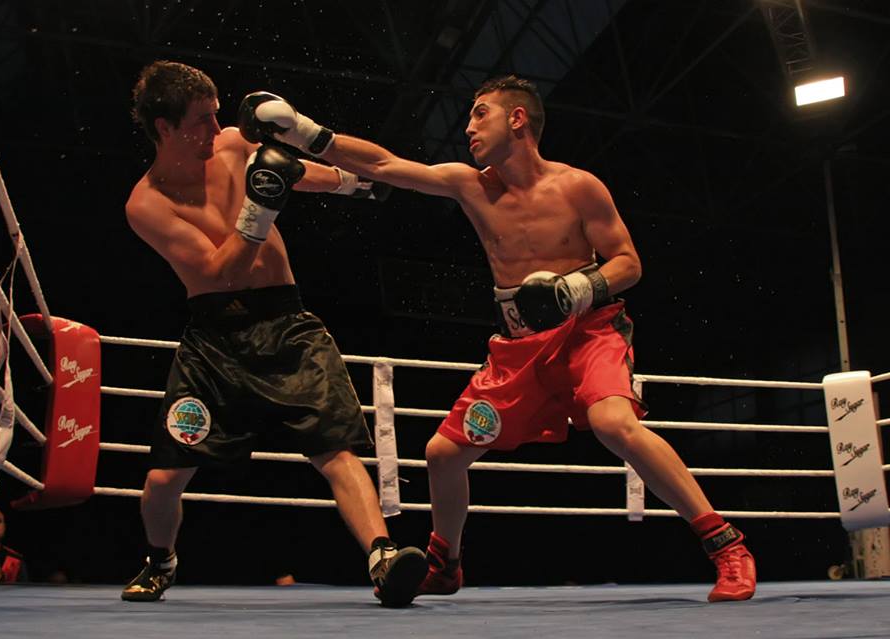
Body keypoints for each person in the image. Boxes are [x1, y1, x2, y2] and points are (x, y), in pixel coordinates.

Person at [238, 76, 757, 603]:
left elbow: (629, 263)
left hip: (590, 332)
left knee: (612, 422)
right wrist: (303, 131)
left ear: (518, 119)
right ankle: (446, 564)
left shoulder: (579, 186)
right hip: (519, 348)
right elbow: (384, 166)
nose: (467, 127)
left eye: (479, 114)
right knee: (442, 453)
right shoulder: (470, 184)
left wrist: (578, 287)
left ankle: (726, 547)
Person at [120, 61, 426, 607]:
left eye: (217, 116)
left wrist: (354, 185)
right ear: (163, 128)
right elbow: (218, 272)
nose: (218, 130)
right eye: (201, 121)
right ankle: (160, 560)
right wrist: (260, 208)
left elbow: (290, 171)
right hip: (214, 340)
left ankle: (382, 556)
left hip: (288, 326)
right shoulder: (147, 204)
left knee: (334, 449)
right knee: (165, 479)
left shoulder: (234, 144)